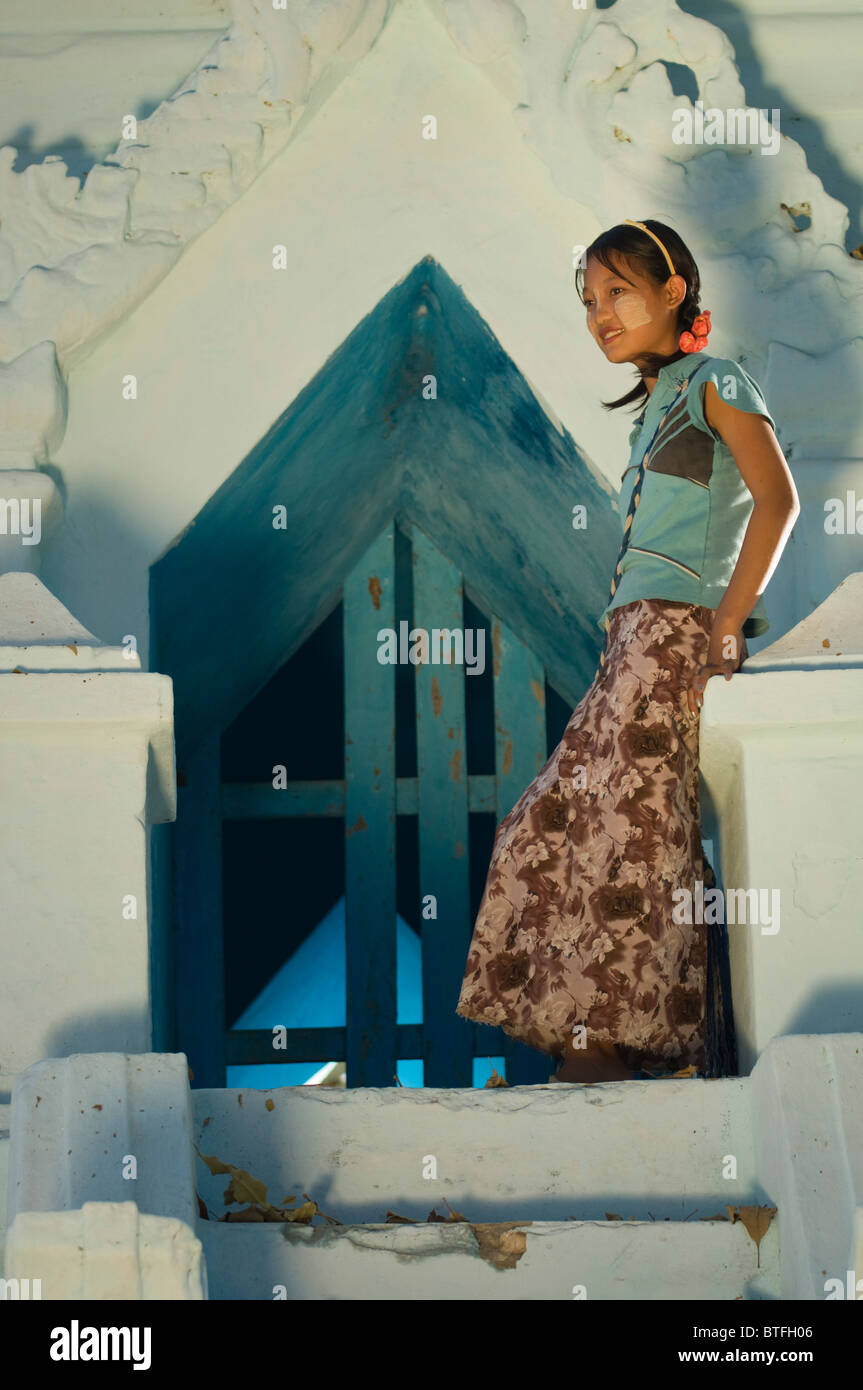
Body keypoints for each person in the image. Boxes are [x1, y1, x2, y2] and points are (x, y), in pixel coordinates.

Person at [455, 219, 800, 1085]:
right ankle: (601, 1037)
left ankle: (614, 1048)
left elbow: (777, 501)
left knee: (631, 839)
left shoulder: (718, 383)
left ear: (671, 290)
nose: (598, 315)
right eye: (587, 302)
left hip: (673, 633)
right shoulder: (659, 404)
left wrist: (727, 622)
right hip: (629, 640)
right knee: (548, 827)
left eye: (616, 293)